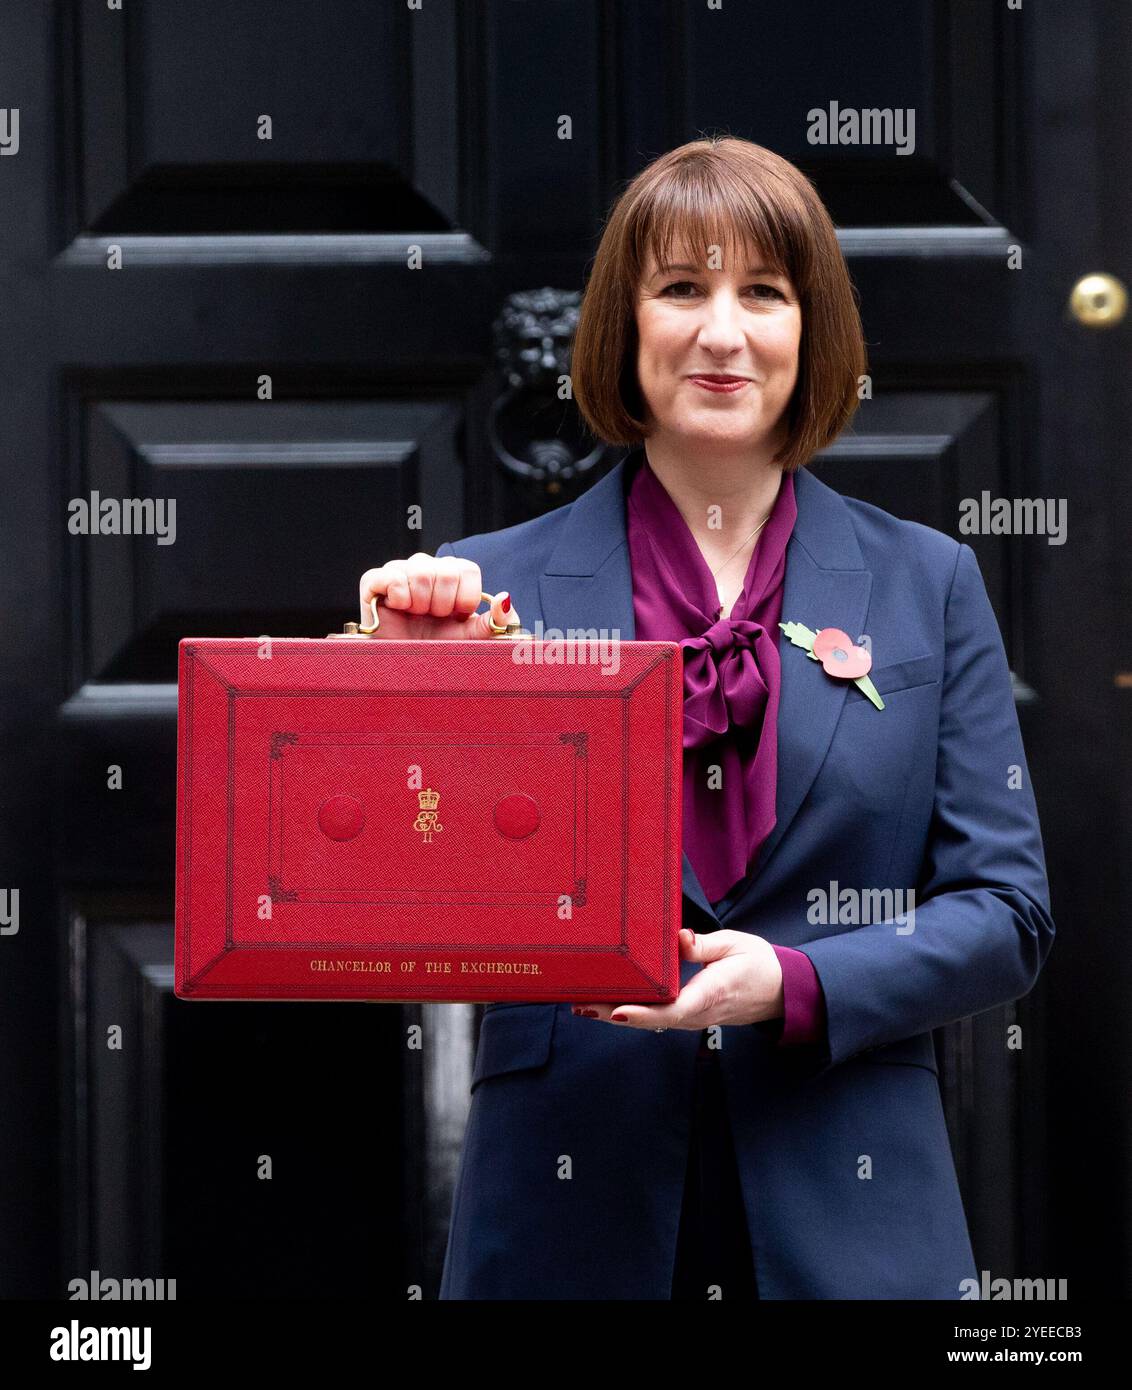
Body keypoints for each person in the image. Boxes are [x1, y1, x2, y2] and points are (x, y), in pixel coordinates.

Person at [358, 137, 1055, 1300]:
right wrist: (392, 691)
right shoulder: (483, 586)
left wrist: (792, 981)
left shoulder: (927, 581)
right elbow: (386, 893)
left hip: (854, 1208)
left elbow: (1008, 913)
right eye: (681, 289)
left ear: (810, 330)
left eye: (763, 294)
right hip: (565, 1210)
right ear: (624, 330)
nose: (721, 332)